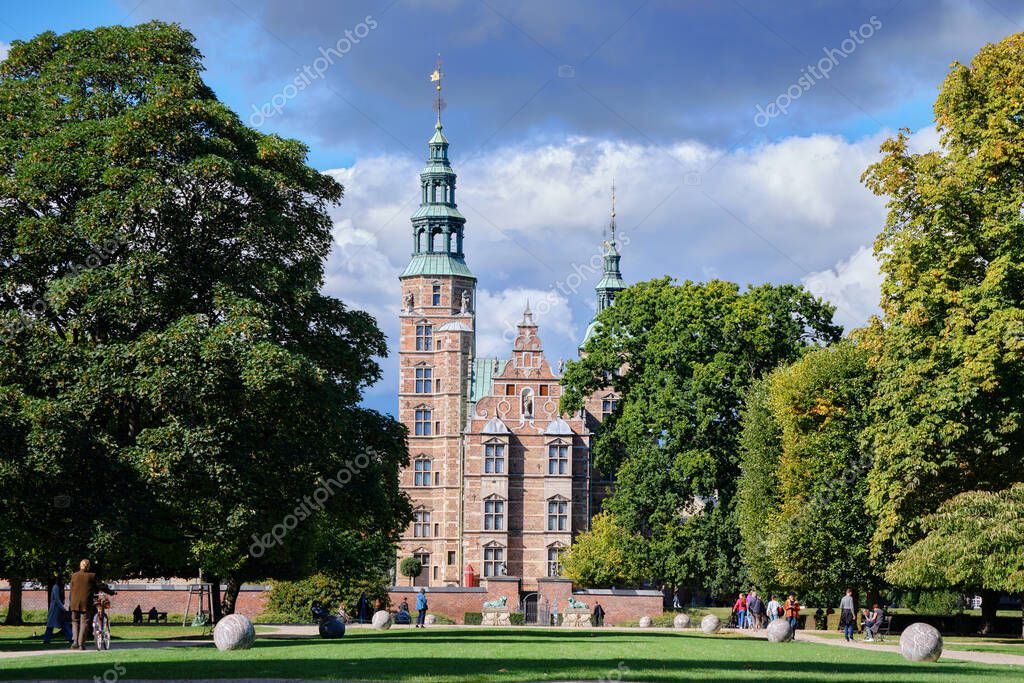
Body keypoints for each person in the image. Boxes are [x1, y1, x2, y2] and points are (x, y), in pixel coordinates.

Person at [68, 559, 115, 650]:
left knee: (75, 622)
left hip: (74, 602)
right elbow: (100, 586)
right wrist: (111, 592)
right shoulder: (92, 576)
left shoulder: (74, 575)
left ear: (80, 565)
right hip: (85, 603)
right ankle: (81, 644)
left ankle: (74, 642)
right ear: (88, 566)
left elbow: (72, 588)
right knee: (84, 622)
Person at [42, 579, 72, 645]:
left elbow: (60, 599)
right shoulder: (56, 587)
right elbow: (57, 599)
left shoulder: (60, 588)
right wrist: (63, 608)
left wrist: (62, 606)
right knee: (51, 624)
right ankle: (46, 639)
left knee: (64, 623)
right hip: (55, 609)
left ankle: (70, 637)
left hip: (59, 609)